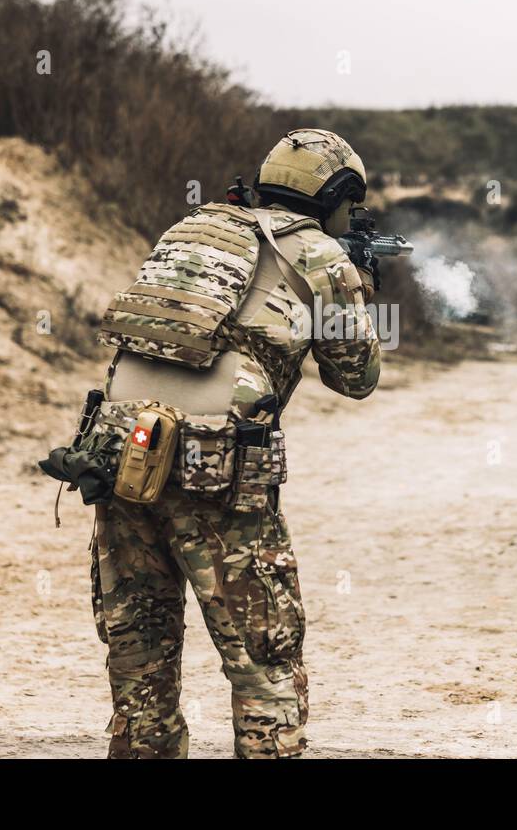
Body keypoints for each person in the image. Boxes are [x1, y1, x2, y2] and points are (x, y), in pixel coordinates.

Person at [90, 129, 381, 758]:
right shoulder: (323, 257)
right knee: (263, 658)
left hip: (122, 453)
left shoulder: (195, 229)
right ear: (336, 196)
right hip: (216, 471)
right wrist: (354, 284)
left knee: (139, 653)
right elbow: (355, 377)